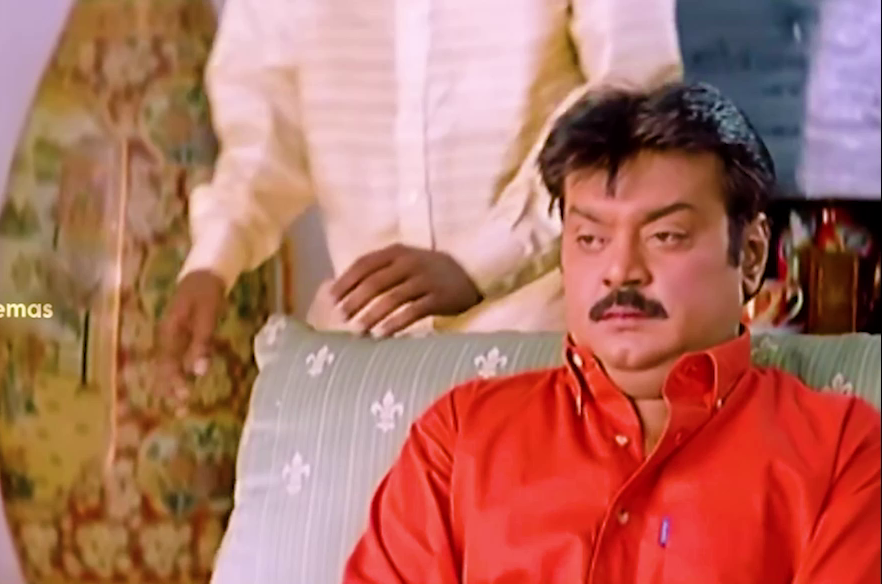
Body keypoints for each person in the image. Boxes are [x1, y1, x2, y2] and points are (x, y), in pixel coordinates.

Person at [342, 82, 882, 583]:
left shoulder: (842, 449)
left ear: (753, 254)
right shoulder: (461, 438)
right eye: (591, 239)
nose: (621, 270)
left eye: (666, 235)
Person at [159, 0, 684, 387]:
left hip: (540, 355)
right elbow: (265, 130)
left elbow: (632, 97)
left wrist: (480, 261)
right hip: (364, 364)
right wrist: (214, 260)